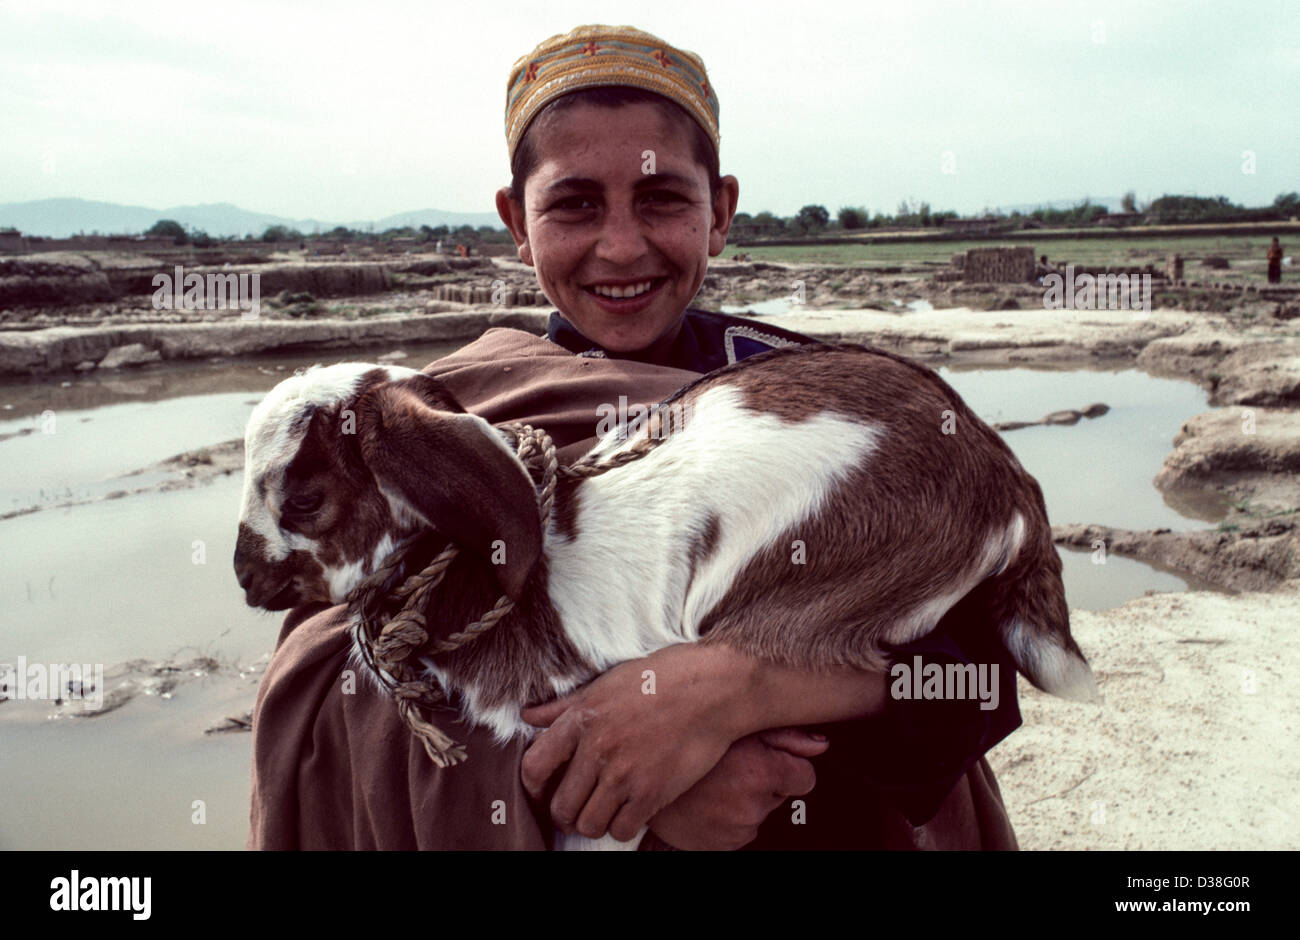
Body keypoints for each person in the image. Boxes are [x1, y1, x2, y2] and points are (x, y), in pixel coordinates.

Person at [247, 24, 1020, 851]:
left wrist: (740, 693)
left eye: (662, 200)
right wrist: (596, 788)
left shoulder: (827, 412)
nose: (621, 245)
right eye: (575, 204)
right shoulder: (434, 436)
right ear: (516, 220)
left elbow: (980, 674)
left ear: (719, 211)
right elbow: (328, 698)